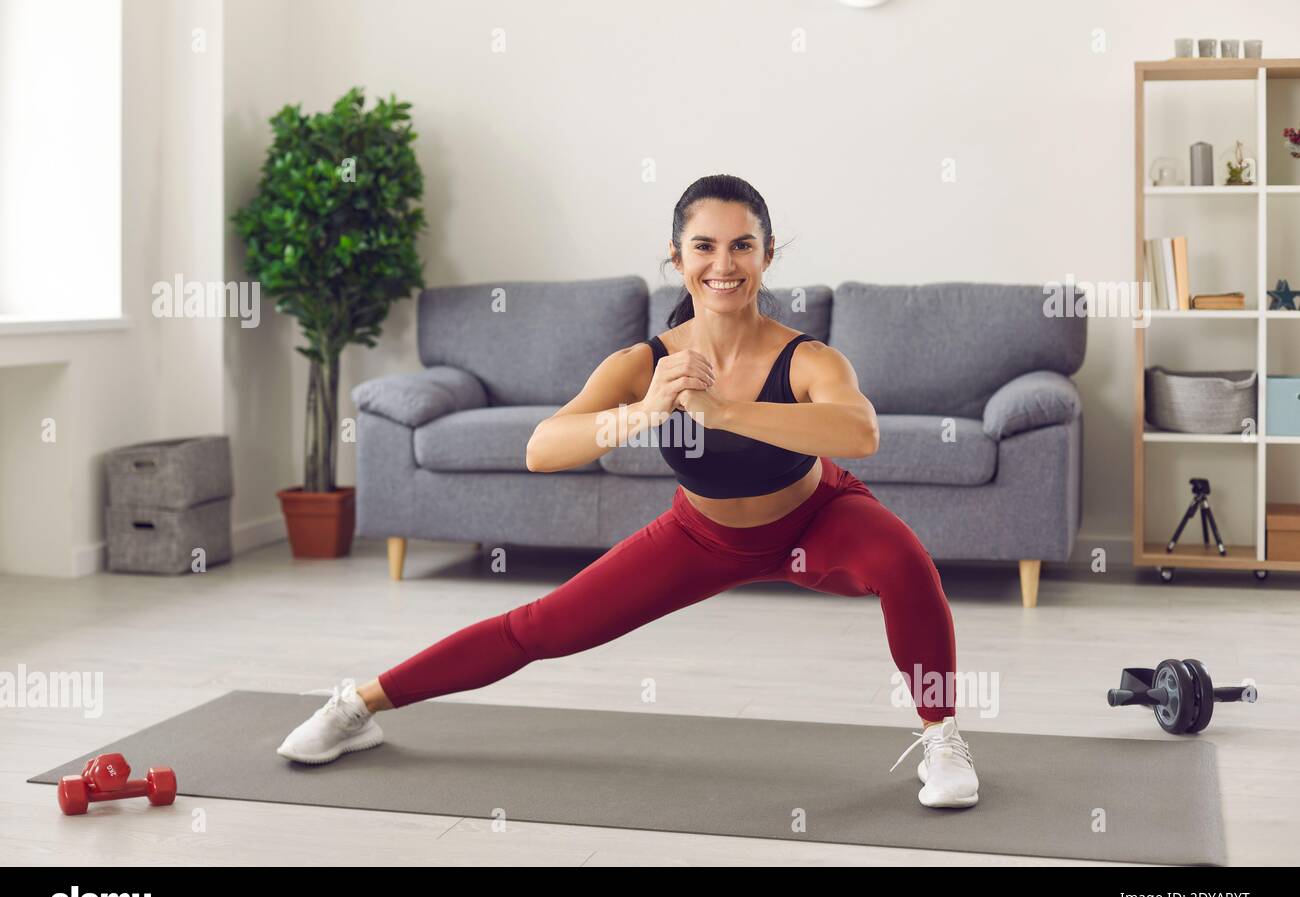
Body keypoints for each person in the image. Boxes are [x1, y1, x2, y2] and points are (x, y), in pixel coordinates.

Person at [277, 174, 978, 809]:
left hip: (817, 518)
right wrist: (645, 412)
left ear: (768, 257)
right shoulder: (642, 363)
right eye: (704, 246)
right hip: (702, 537)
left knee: (904, 563)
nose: (724, 264)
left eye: (743, 246)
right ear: (678, 258)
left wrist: (723, 412)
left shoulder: (809, 357)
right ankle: (357, 706)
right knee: (543, 627)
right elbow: (541, 449)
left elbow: (860, 433)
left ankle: (941, 734)